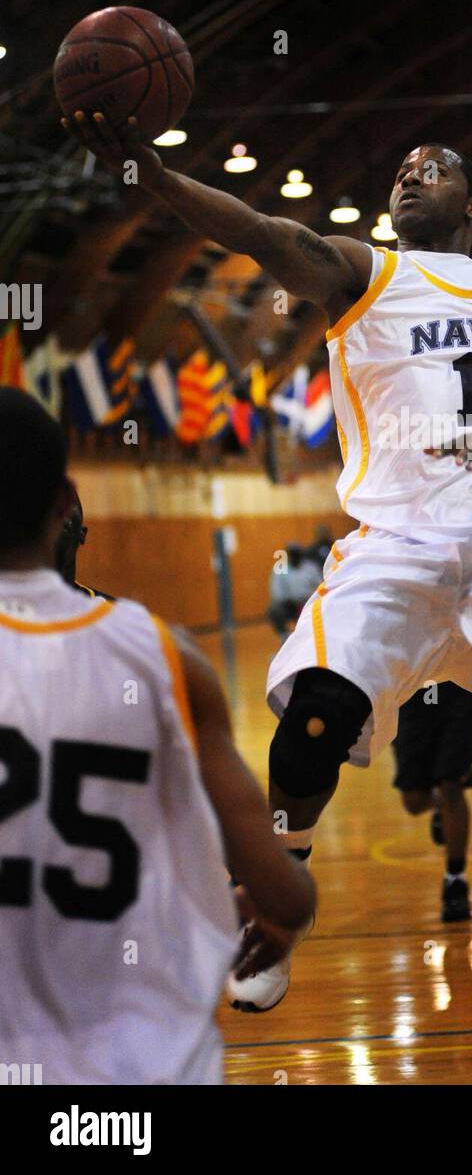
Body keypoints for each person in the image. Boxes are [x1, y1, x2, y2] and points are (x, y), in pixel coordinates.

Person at [65, 115, 472, 1012]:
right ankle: (271, 909)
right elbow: (259, 233)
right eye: (404, 167)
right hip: (395, 550)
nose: (412, 176)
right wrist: (152, 175)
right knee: (314, 715)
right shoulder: (361, 271)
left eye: (436, 168)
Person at [0, 387, 315, 1078]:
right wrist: (253, 902)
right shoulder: (165, 657)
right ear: (67, 500)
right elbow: (287, 896)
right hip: (137, 1064)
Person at [393, 680, 472, 922]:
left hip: (460, 687)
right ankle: (440, 807)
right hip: (413, 689)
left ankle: (455, 880)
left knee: (452, 785)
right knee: (413, 800)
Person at [54, 487, 114, 600]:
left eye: (65, 527)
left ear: (81, 534)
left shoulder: (118, 614)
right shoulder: (11, 611)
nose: (51, 538)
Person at [268, 543, 321, 636]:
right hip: (290, 604)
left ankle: (314, 635)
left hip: (309, 602)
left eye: (297, 554)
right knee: (275, 610)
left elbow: (321, 583)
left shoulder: (310, 567)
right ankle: (284, 635)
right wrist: (285, 599)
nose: (295, 557)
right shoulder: (280, 568)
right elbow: (276, 589)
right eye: (292, 554)